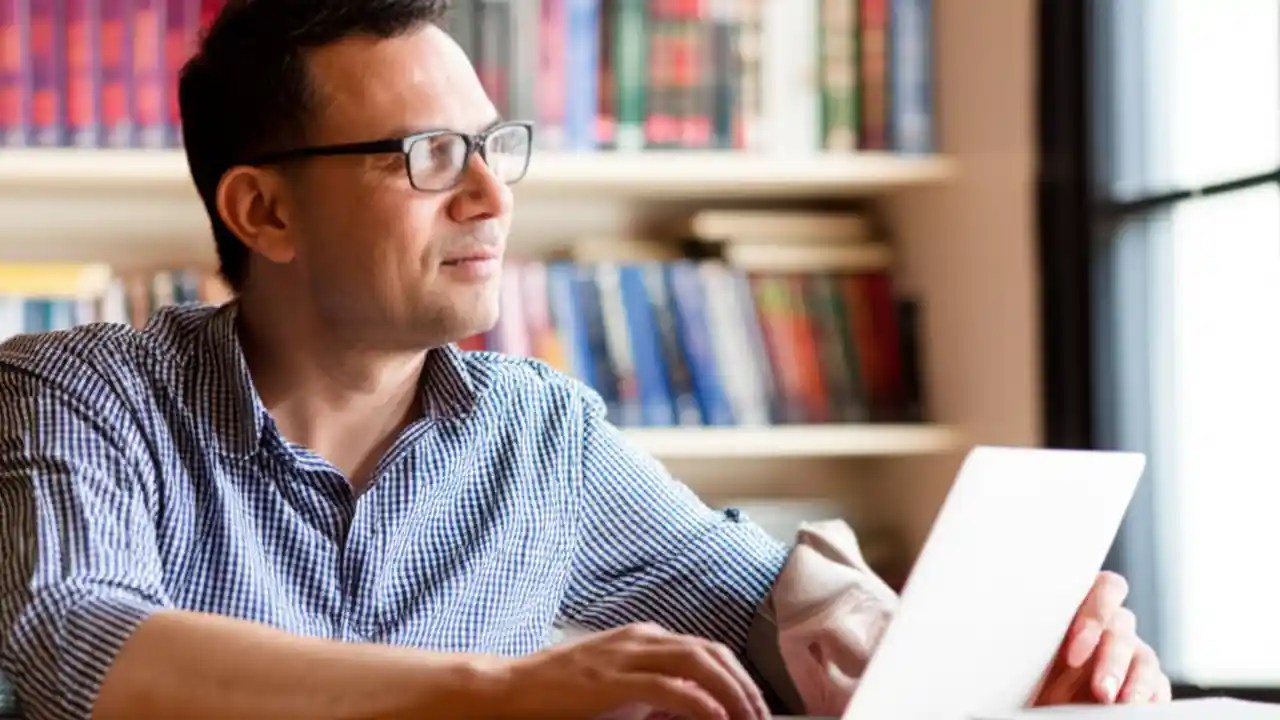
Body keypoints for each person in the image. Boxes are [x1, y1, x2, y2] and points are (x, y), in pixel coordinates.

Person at [0, 1, 1171, 719]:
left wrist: (1001, 672)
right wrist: (499, 694)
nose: (489, 192)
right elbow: (73, 642)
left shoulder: (536, 436)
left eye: (493, 146)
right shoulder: (77, 395)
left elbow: (776, 611)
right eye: (426, 154)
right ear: (262, 212)